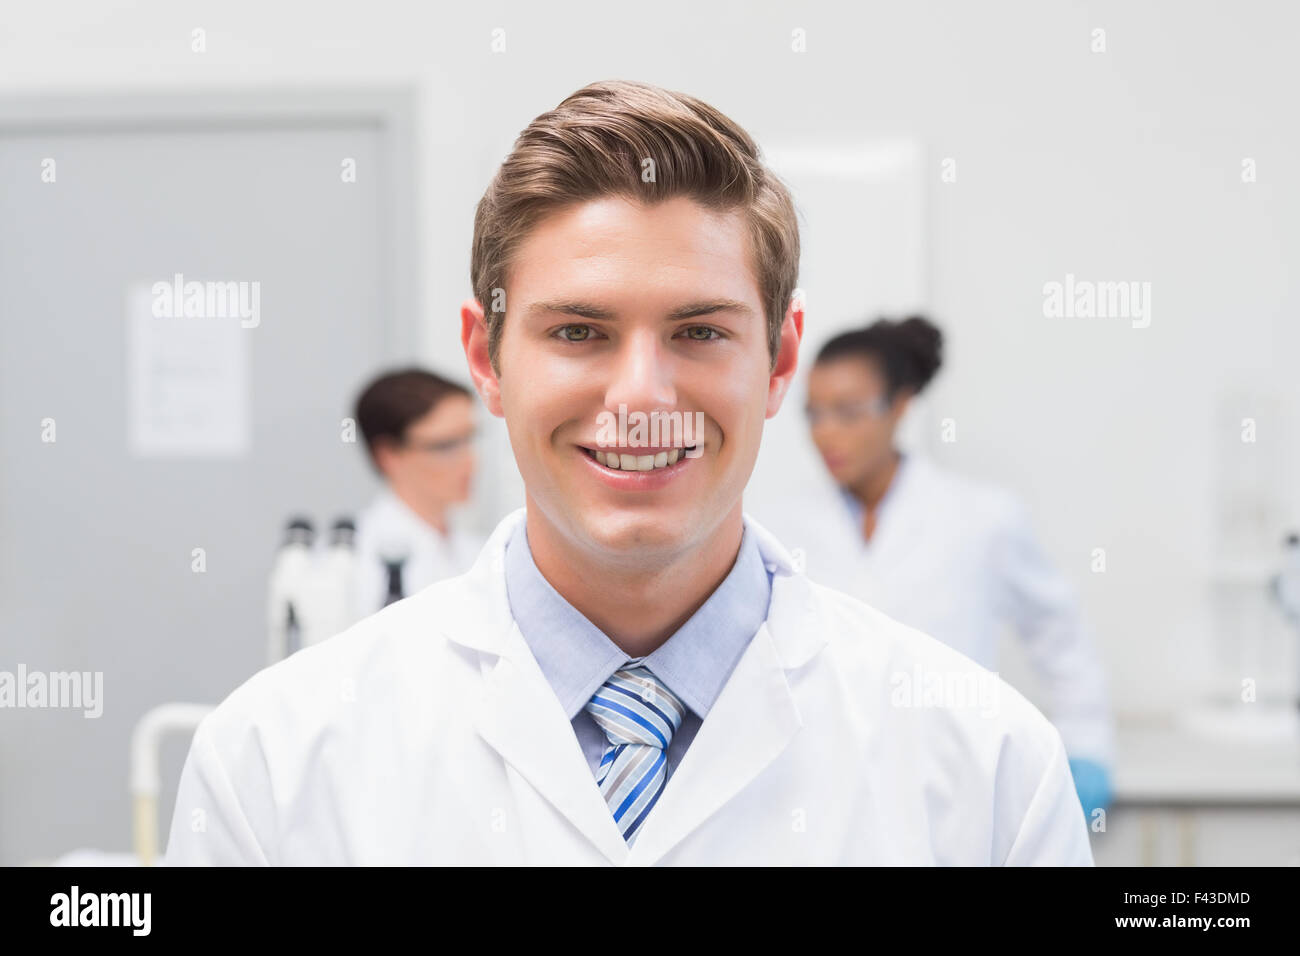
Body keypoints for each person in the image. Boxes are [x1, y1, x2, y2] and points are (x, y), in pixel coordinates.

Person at [163, 80, 1093, 865]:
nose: (642, 395)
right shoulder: (274, 766)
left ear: (777, 361)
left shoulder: (988, 770)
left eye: (699, 332)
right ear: (486, 359)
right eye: (578, 332)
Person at [765, 317, 1114, 816]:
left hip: (953, 794)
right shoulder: (779, 529)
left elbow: (1060, 634)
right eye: (814, 415)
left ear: (900, 406)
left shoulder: (982, 518)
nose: (827, 433)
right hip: (822, 800)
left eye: (848, 412)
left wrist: (1087, 747)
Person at [350, 368, 483, 618]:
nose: (471, 461)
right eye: (446, 446)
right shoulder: (355, 565)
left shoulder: (480, 553)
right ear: (388, 455)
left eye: (470, 439)